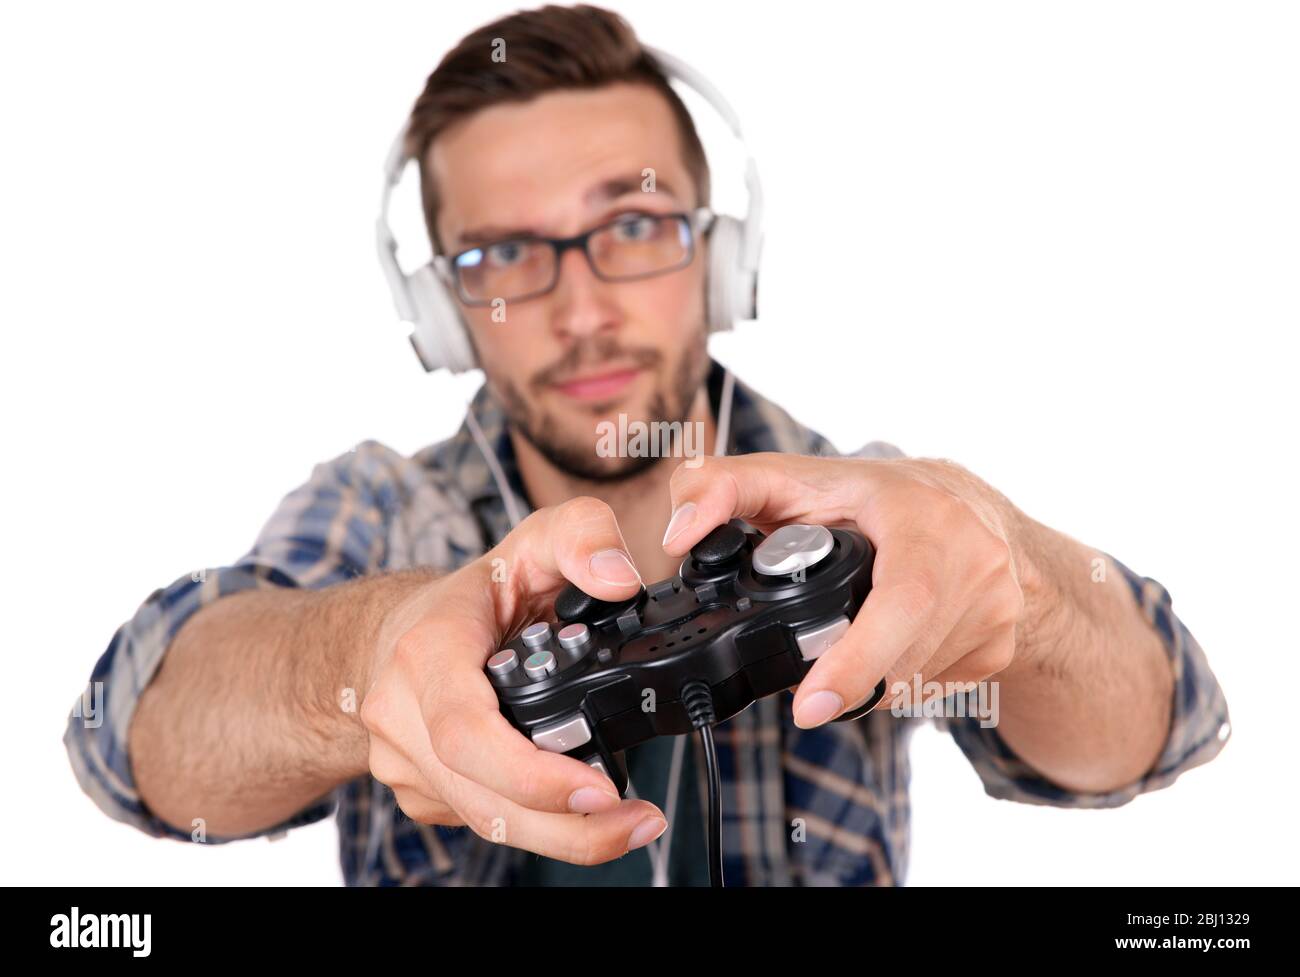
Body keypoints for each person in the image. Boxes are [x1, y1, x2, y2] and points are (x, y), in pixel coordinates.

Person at [65, 4, 1230, 886]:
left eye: (631, 225)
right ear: (441, 313)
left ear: (721, 257)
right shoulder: (382, 513)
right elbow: (131, 740)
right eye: (502, 255)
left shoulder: (877, 519)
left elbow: (1154, 734)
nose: (579, 311)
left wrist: (1018, 585)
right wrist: (362, 657)